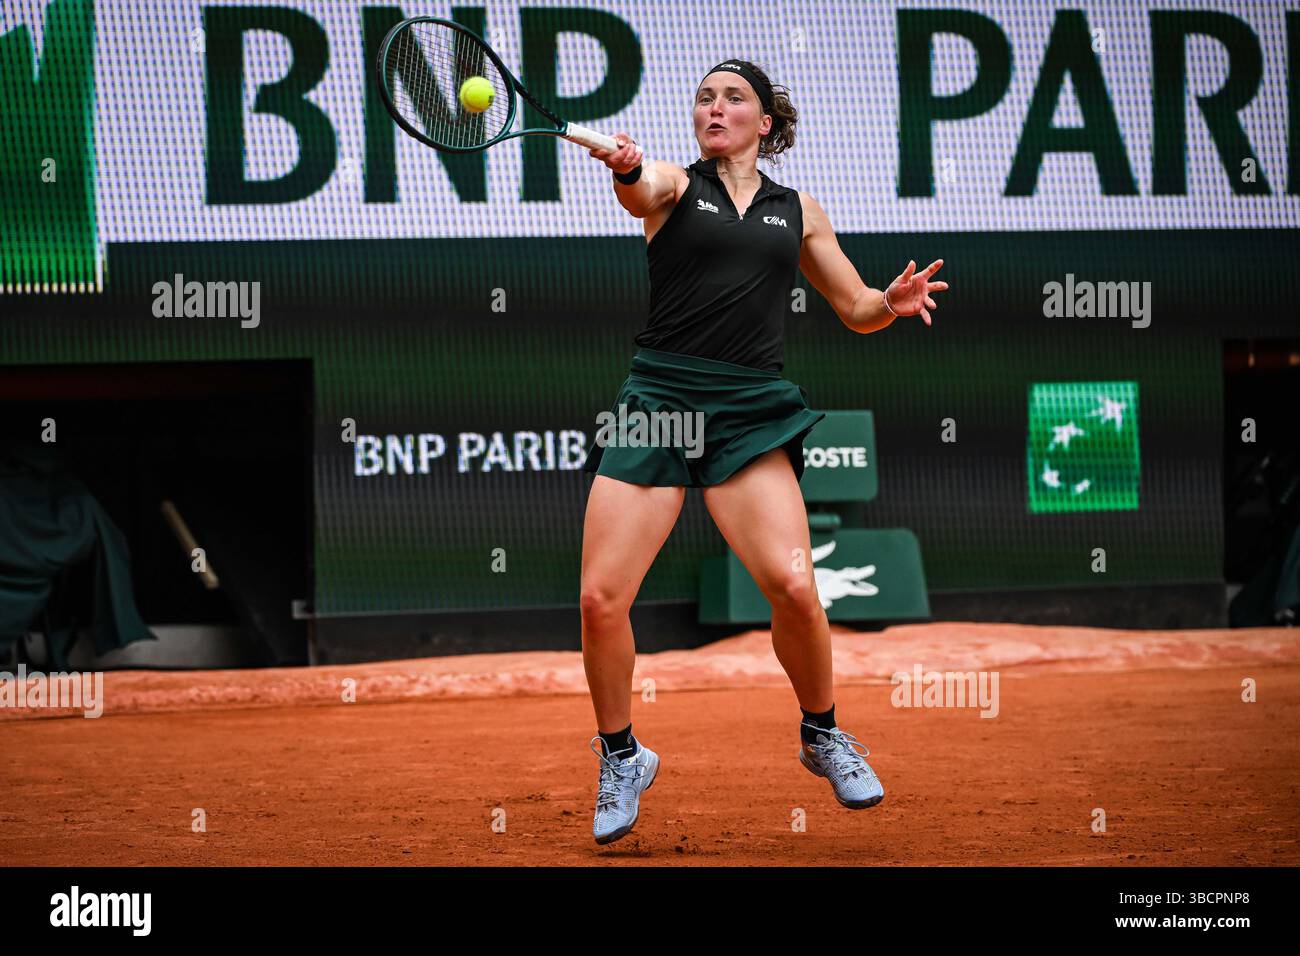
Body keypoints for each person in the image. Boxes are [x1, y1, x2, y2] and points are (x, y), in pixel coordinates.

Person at [579, 59, 948, 845]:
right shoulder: (676, 186)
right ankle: (621, 754)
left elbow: (853, 307)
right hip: (660, 401)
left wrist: (891, 301)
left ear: (765, 124)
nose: (715, 107)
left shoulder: (799, 210)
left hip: (748, 409)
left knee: (793, 584)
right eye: (705, 98)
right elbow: (641, 192)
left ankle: (822, 734)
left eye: (732, 97)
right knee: (600, 600)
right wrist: (629, 167)